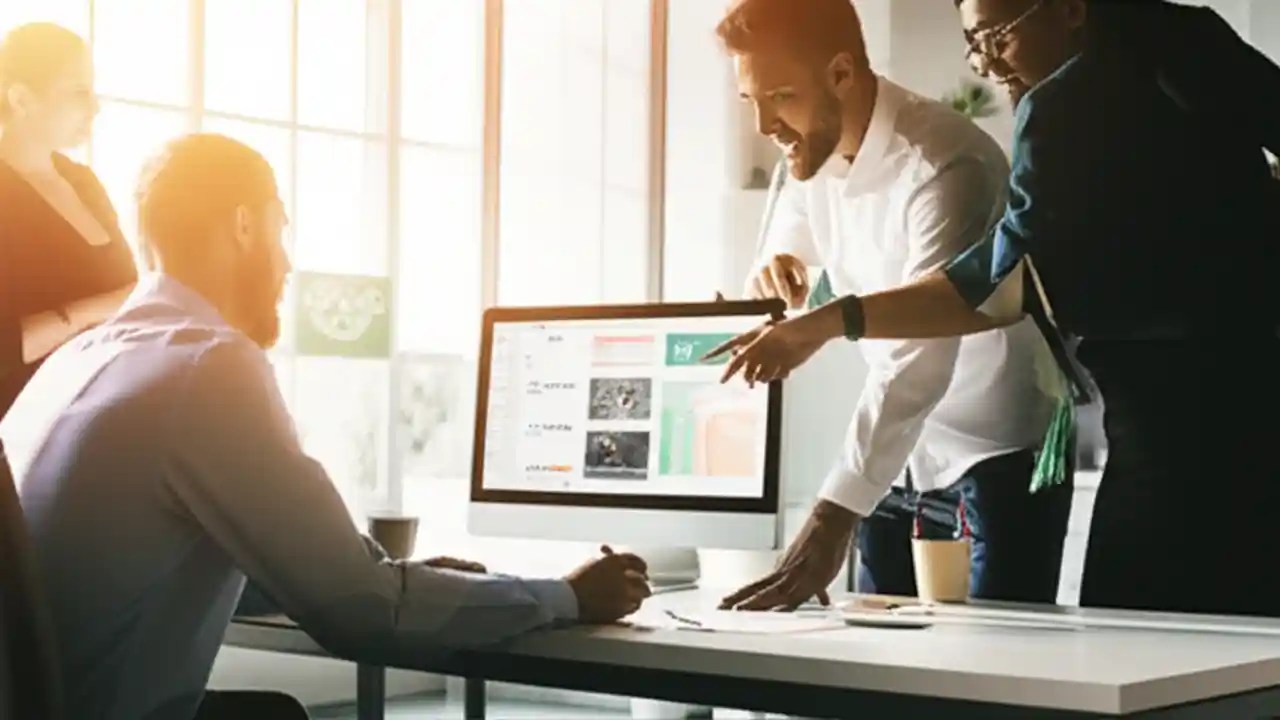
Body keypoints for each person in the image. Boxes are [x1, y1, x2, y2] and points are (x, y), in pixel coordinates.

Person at [0, 133, 652, 720]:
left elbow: (156, 560)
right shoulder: (205, 365)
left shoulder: (77, 359)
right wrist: (564, 597)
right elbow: (364, 615)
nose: (286, 267)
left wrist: (398, 574)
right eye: (282, 233)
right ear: (245, 225)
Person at [710, 0, 1280, 617]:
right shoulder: (1182, 30)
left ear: (1067, 9)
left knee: (1142, 644)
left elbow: (988, 287)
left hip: (1165, 432)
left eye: (993, 36)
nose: (983, 63)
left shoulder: (1050, 111)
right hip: (1242, 396)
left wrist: (831, 321)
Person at [712, 0, 1071, 614]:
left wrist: (831, 515)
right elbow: (787, 233)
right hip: (898, 459)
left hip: (993, 457)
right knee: (876, 672)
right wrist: (775, 265)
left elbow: (921, 354)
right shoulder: (809, 149)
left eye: (780, 96)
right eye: (752, 101)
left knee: (990, 681)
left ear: (842, 74)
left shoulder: (946, 163)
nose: (765, 125)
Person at [0, 22, 137, 422]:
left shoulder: (84, 183)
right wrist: (86, 313)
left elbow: (128, 297)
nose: (95, 107)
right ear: (22, 99)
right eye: (79, 92)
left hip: (96, 420)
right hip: (18, 434)